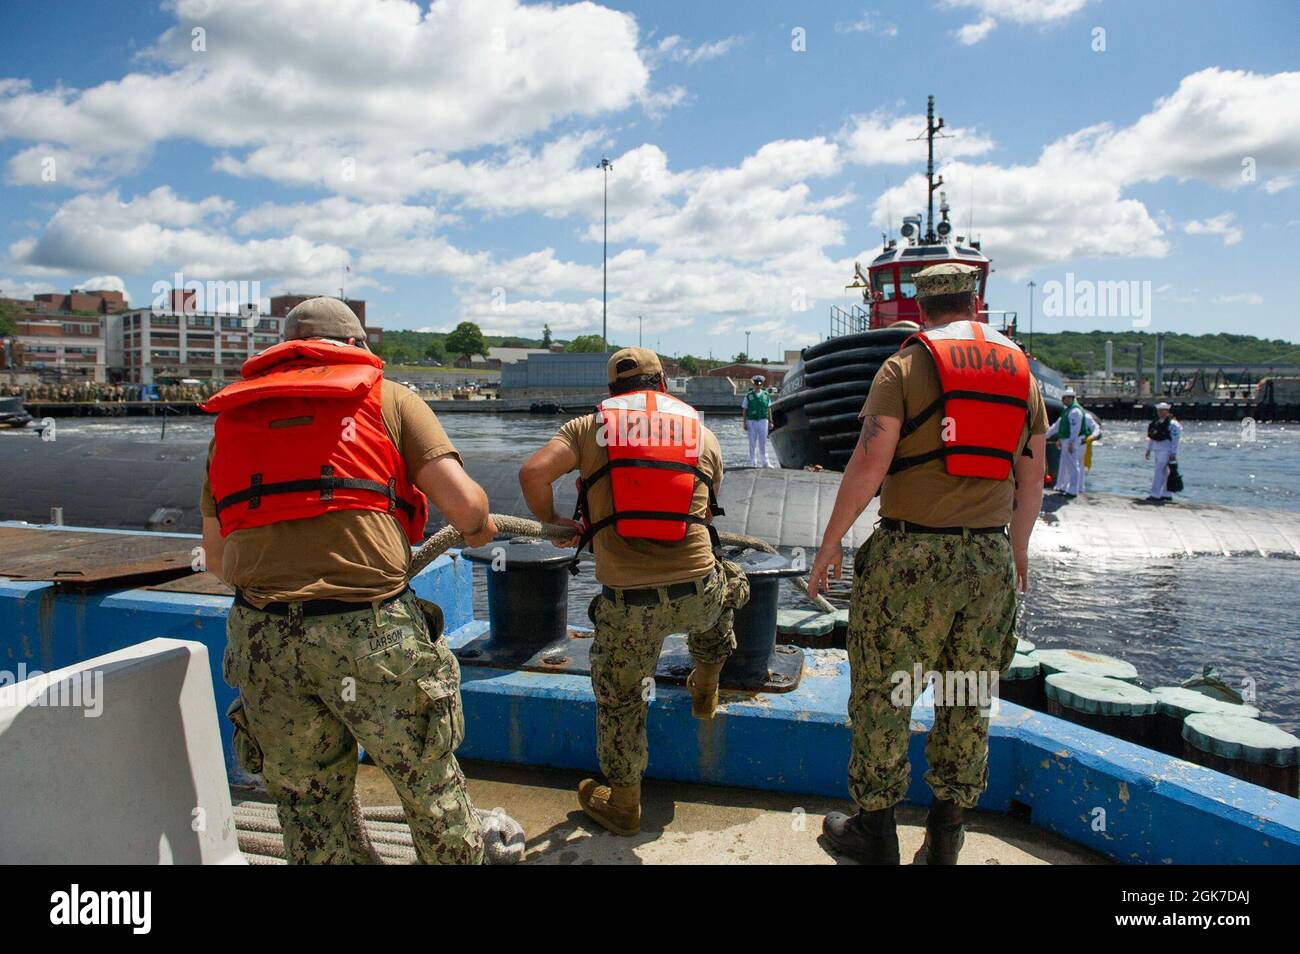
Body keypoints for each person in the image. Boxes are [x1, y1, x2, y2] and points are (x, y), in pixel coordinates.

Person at [200, 297, 500, 865]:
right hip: (373, 636)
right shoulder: (389, 397)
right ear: (358, 345)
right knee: (430, 790)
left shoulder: (231, 422)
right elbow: (464, 506)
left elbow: (218, 558)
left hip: (265, 641)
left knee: (309, 809)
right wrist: (479, 525)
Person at [806, 264, 1047, 865]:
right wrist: (1016, 548)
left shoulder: (904, 366)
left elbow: (870, 461)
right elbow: (1032, 477)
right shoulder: (1023, 374)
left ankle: (875, 833)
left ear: (920, 304)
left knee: (887, 693)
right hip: (988, 556)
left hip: (909, 556)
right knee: (967, 694)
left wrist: (832, 540)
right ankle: (945, 838)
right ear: (975, 301)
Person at [518, 347, 748, 836]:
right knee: (730, 585)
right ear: (663, 384)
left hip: (629, 606)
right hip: (696, 592)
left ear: (610, 393)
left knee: (622, 698)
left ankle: (623, 803)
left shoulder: (588, 428)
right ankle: (705, 684)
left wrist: (553, 522)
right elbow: (705, 514)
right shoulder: (702, 433)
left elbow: (533, 472)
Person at [1045, 387, 1090, 496]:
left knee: (1072, 465)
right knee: (1064, 465)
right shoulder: (1067, 411)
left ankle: (1073, 489)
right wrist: (1050, 437)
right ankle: (1062, 485)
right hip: (1066, 440)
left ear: (1070, 398)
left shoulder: (1075, 411)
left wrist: (1071, 442)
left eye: (1064, 398)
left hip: (1072, 441)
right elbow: (1058, 427)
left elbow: (1075, 429)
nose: (1062, 400)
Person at [1145, 401, 1182, 501]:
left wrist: (1173, 453)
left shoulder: (1173, 424)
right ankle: (1166, 494)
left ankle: (1155, 494)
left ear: (1167, 411)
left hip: (1167, 450)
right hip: (1157, 449)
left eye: (1162, 411)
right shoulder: (1156, 423)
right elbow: (1152, 437)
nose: (1160, 413)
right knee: (1165, 472)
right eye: (1159, 411)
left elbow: (1175, 440)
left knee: (1160, 471)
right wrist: (1148, 449)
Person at [741, 374, 775, 467]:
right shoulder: (749, 396)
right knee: (752, 442)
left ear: (762, 385)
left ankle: (765, 462)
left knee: (763, 441)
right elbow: (744, 409)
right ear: (754, 384)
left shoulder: (765, 395)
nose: (757, 386)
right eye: (756, 384)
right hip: (752, 420)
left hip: (763, 420)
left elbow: (769, 409)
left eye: (759, 384)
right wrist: (744, 422)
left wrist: (771, 421)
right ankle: (753, 461)